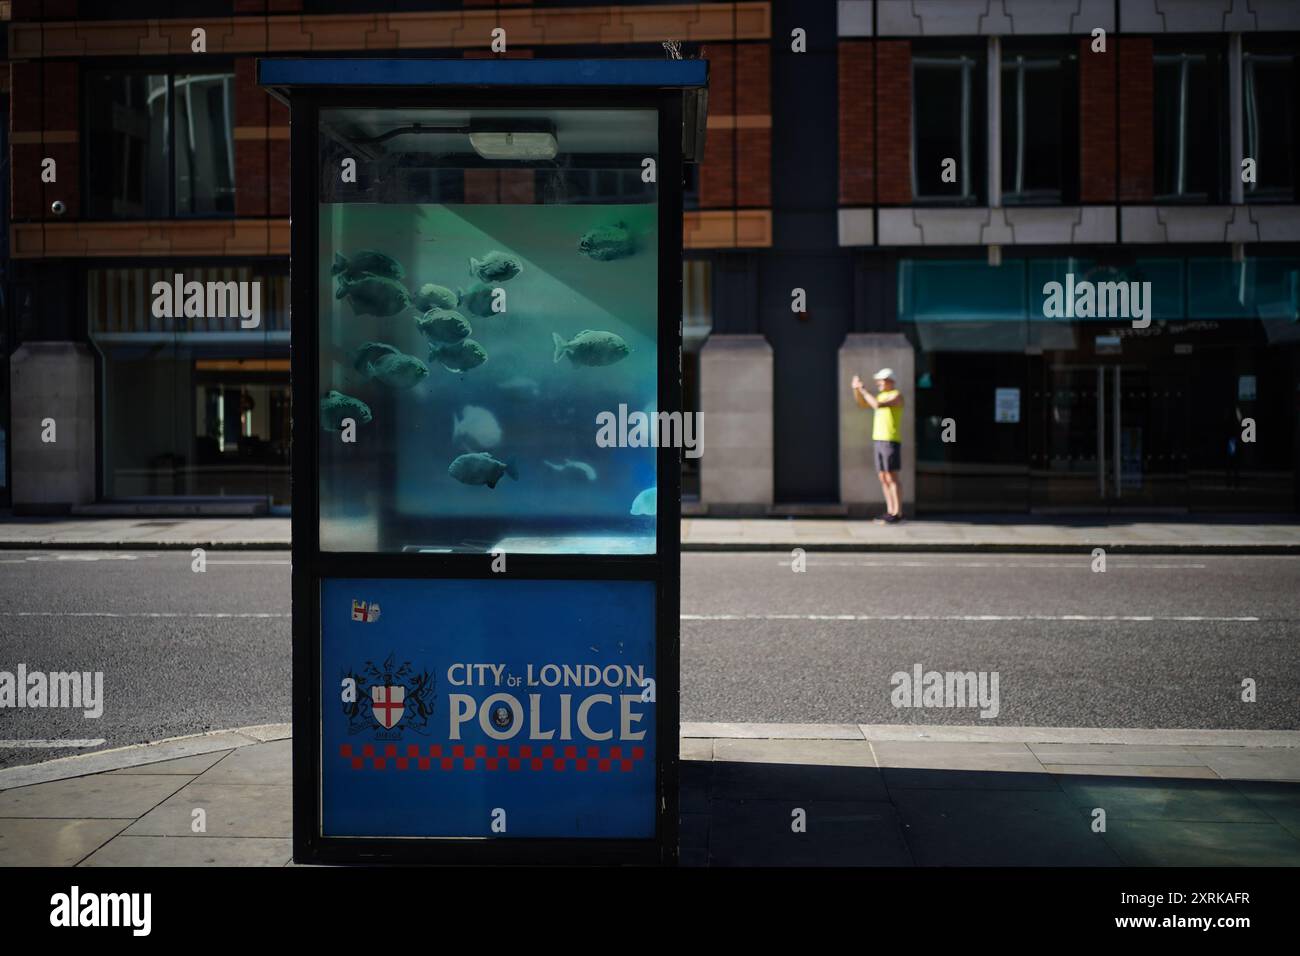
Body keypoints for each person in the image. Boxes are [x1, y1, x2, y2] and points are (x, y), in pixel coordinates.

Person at [851, 368, 904, 523]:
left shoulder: (896, 395)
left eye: (881, 380)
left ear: (890, 381)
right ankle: (890, 511)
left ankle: (898, 512)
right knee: (883, 476)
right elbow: (862, 403)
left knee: (892, 476)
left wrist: (863, 390)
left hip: (890, 440)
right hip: (879, 439)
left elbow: (877, 405)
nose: (879, 383)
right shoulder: (881, 395)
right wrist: (857, 389)